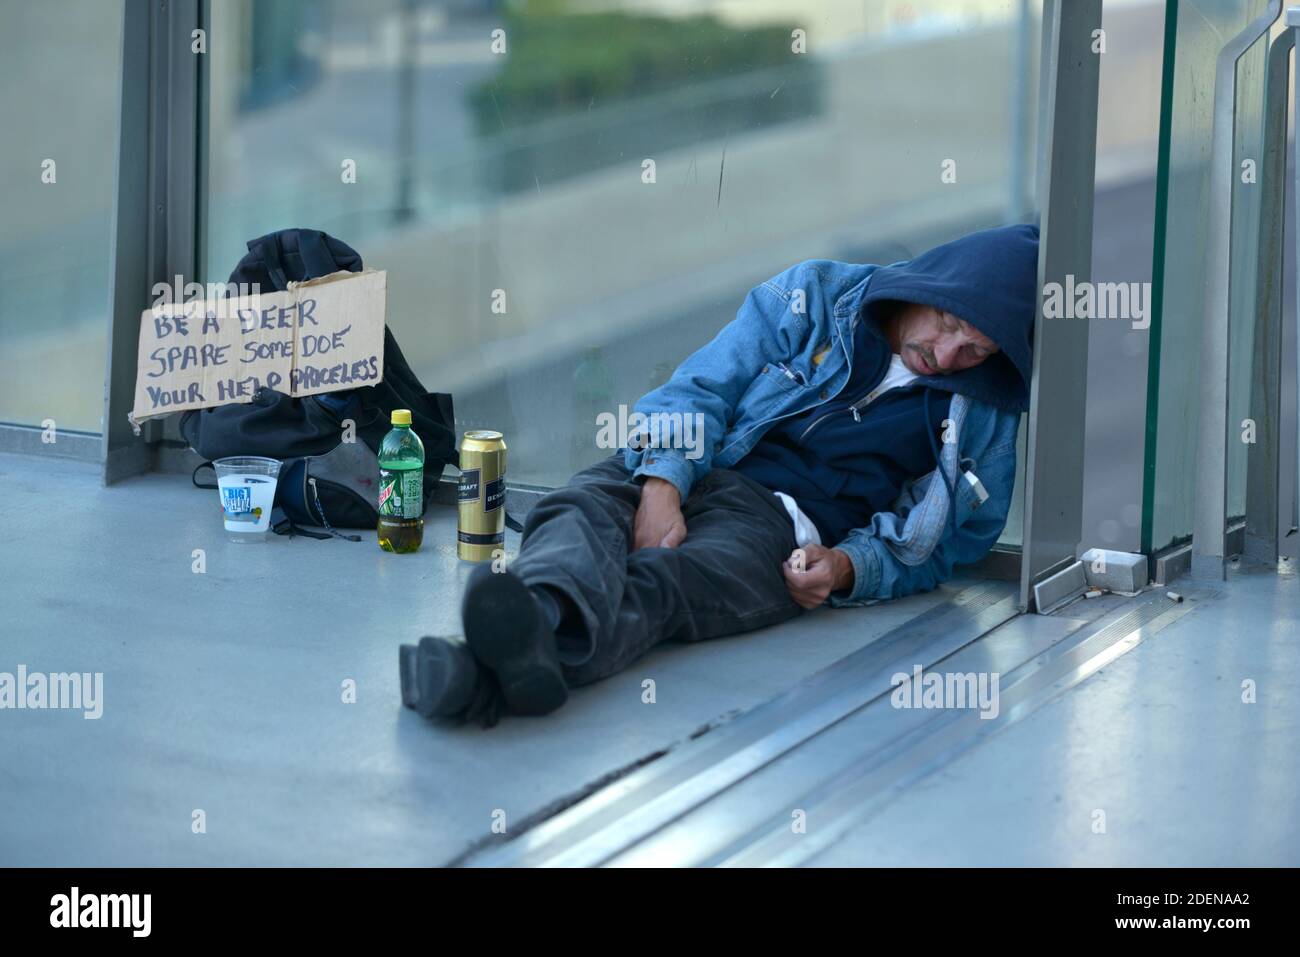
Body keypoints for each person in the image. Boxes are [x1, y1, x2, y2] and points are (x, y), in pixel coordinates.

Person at [399, 223, 1039, 728]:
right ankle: (534, 623)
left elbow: (946, 542)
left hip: (777, 523)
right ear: (932, 287)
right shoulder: (818, 295)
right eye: (950, 324)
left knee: (668, 582)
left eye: (977, 350)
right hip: (686, 463)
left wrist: (848, 567)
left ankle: (481, 671)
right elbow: (705, 382)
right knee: (576, 509)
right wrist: (663, 485)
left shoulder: (980, 413)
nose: (949, 356)